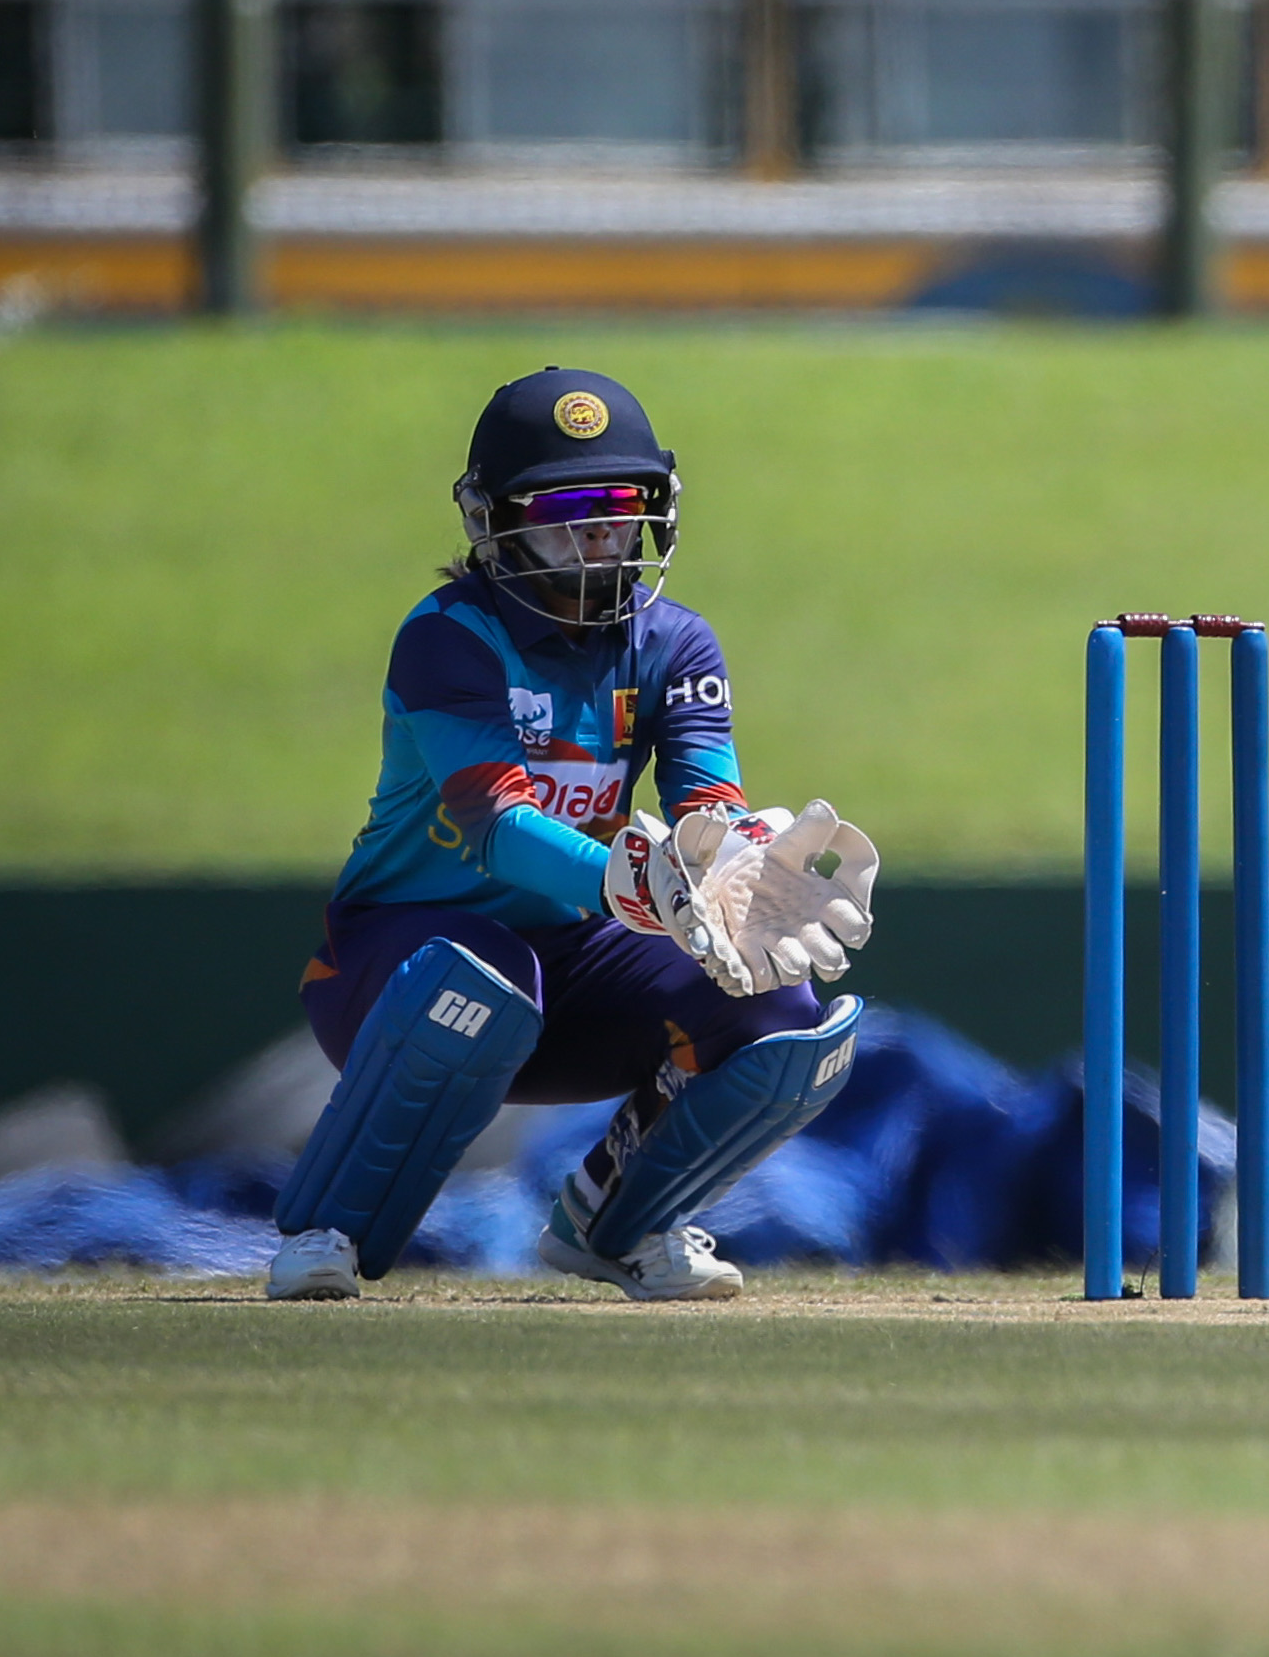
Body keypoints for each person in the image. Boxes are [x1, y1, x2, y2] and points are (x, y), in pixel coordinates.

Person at [263, 366, 882, 1303]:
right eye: (564, 508)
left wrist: (751, 861)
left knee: (780, 1009)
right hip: (392, 959)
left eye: (618, 504)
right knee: (479, 968)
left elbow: (708, 802)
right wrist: (634, 886)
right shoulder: (448, 637)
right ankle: (326, 1230)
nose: (598, 533)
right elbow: (496, 823)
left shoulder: (676, 644)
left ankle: (616, 1225)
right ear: (493, 520)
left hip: (579, 967)